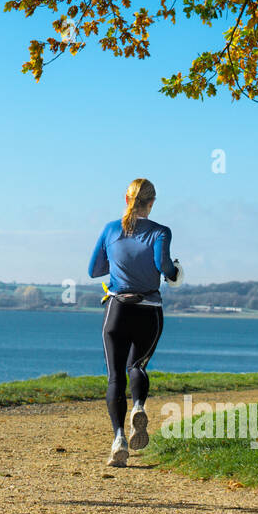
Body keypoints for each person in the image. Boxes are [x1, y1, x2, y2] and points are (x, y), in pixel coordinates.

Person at [88, 178, 181, 467]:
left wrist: (119, 263)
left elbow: (94, 270)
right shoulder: (160, 232)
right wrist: (175, 272)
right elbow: (164, 266)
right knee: (137, 366)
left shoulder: (110, 229)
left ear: (126, 200)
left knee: (115, 377)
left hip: (117, 309)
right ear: (151, 203)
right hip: (149, 310)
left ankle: (119, 440)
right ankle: (138, 406)